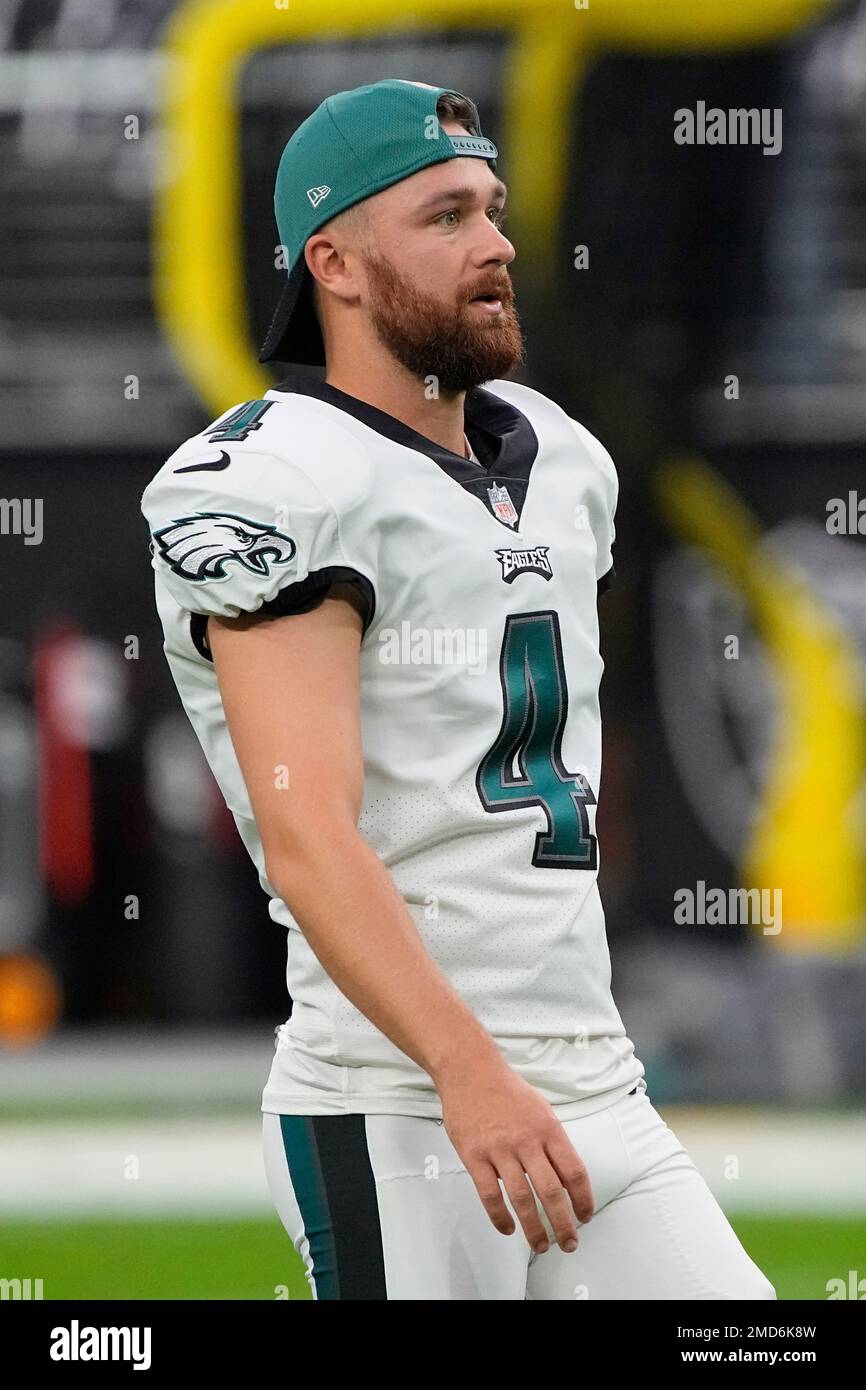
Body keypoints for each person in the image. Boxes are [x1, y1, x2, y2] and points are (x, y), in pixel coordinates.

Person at [141, 78, 776, 1301]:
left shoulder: (561, 456)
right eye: (442, 218)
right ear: (332, 259)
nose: (495, 245)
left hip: (592, 1080)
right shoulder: (275, 478)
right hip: (398, 1101)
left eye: (490, 209)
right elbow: (305, 831)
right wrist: (465, 1070)